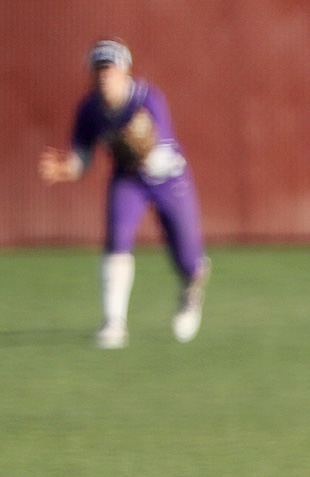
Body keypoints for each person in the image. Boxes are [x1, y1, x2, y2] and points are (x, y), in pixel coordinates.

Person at [38, 39, 210, 348]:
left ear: (125, 70)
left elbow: (155, 148)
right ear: (91, 74)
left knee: (187, 258)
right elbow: (82, 158)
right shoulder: (89, 108)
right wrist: (67, 168)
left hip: (167, 177)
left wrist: (138, 140)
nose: (105, 75)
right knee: (117, 237)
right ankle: (113, 322)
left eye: (110, 68)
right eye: (99, 69)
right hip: (128, 177)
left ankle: (191, 287)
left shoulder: (146, 97)